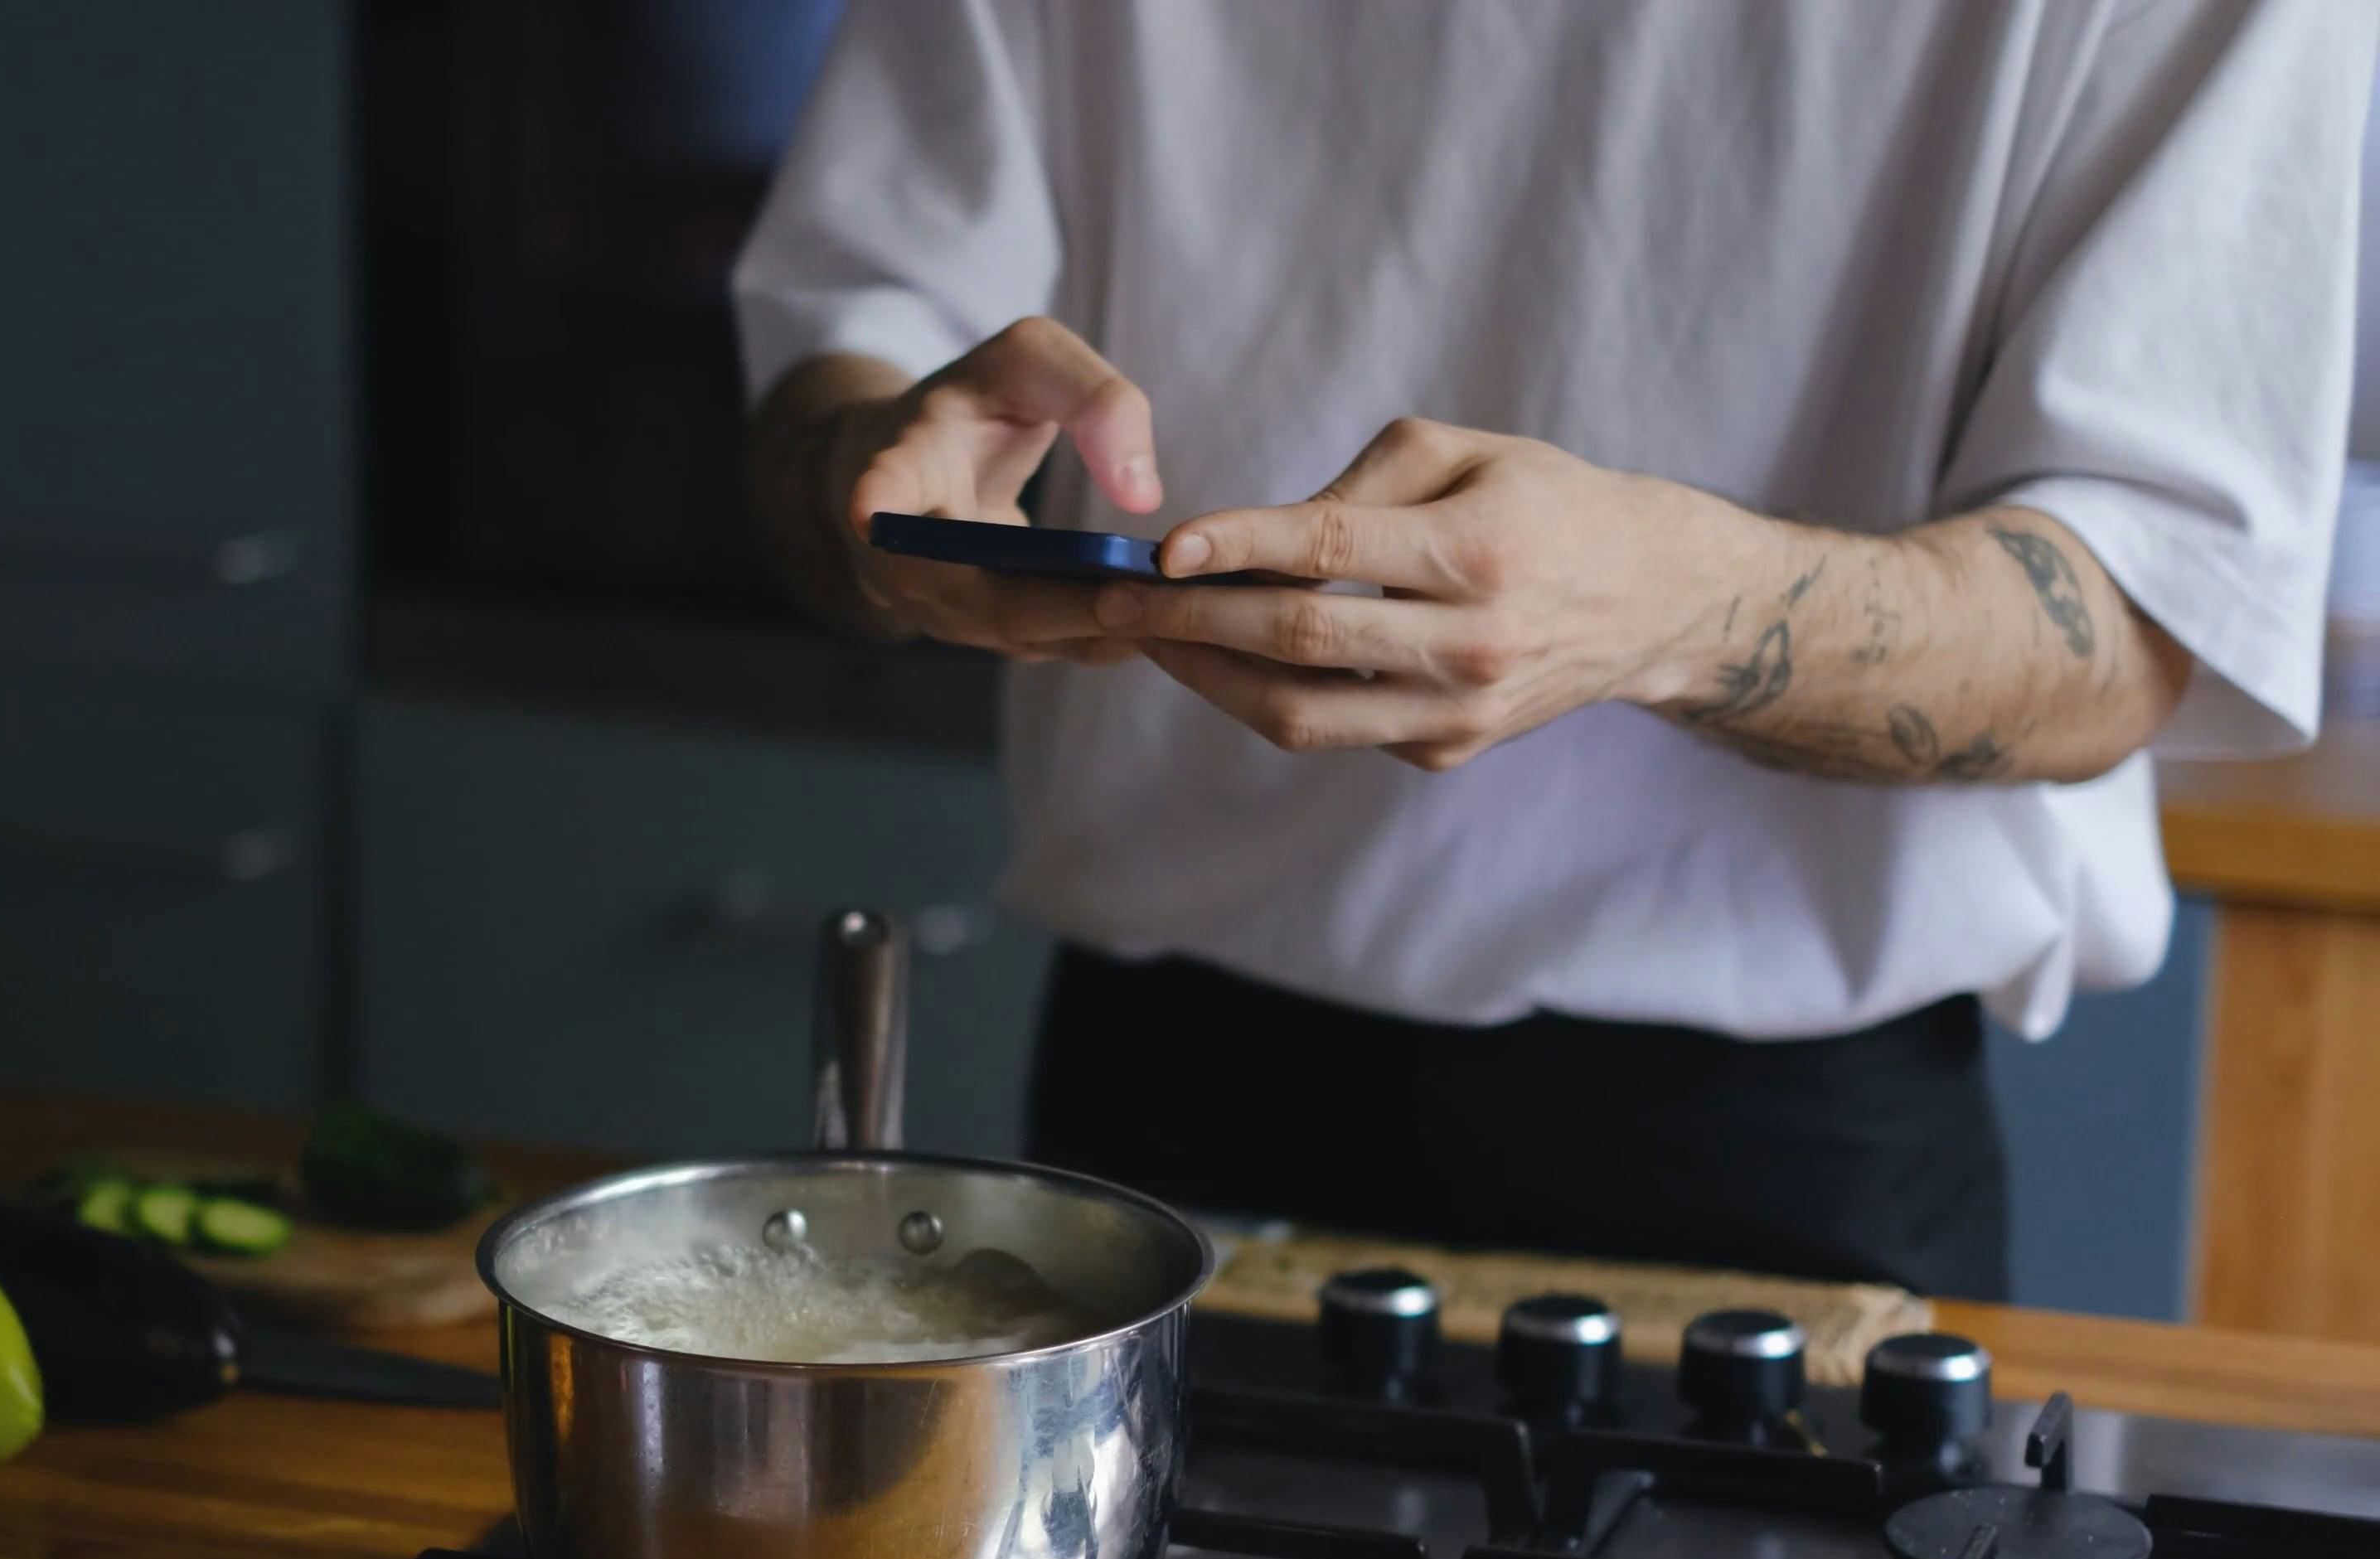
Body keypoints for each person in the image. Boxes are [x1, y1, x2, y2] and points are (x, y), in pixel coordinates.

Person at [734, 2, 2374, 1299]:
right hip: (1158, 1100)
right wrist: (878, 486)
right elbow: (843, 373)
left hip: (1787, 1166)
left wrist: (1680, 612)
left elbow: (2140, 624)